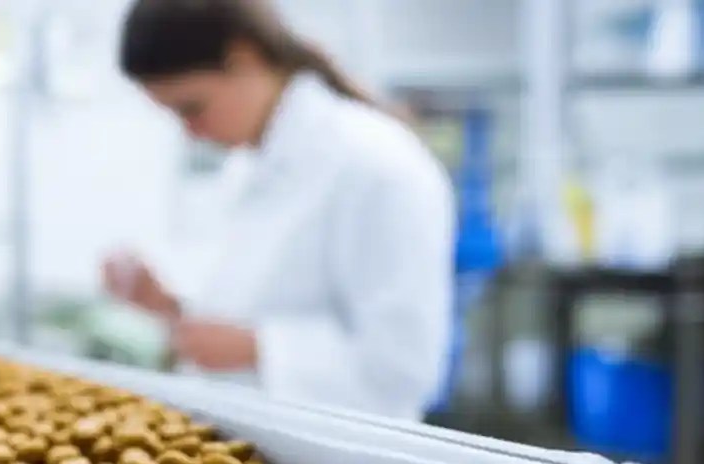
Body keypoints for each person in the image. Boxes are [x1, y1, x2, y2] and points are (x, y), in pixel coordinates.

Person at [104, 0, 456, 421]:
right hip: (251, 449)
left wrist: (257, 347)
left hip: (339, 463)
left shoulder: (376, 164)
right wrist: (172, 307)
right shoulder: (248, 166)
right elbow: (256, 306)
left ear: (244, 58)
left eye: (192, 108)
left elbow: (404, 370)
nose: (191, 133)